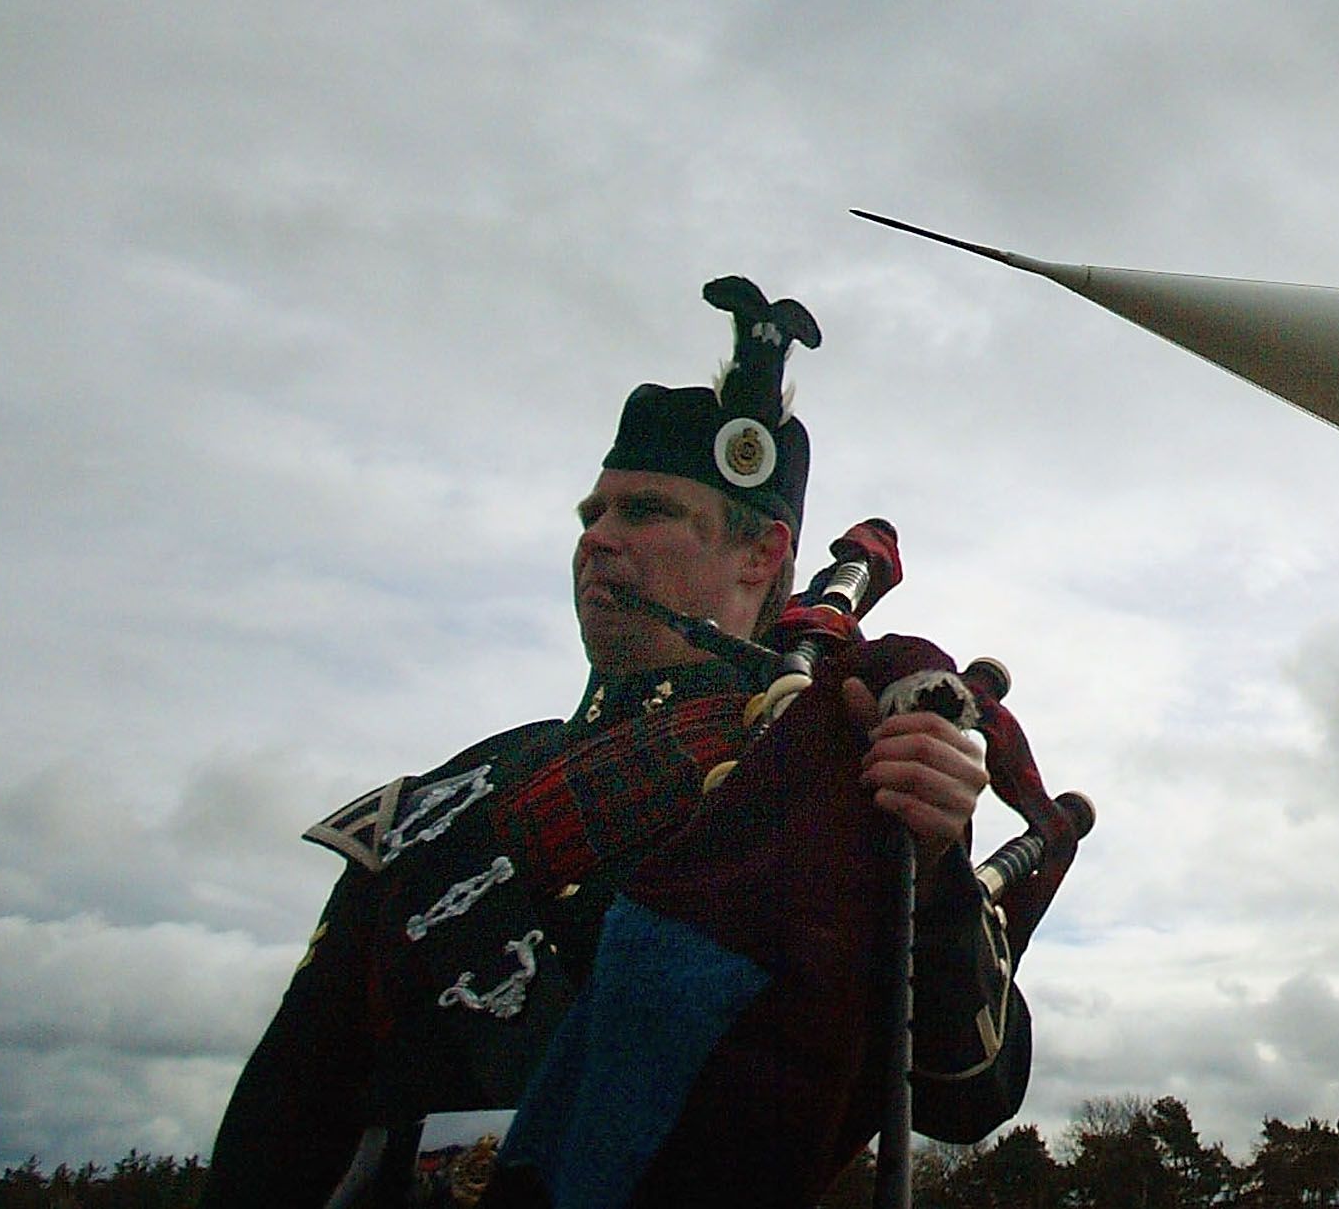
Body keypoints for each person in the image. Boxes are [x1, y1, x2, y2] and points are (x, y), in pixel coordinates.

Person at [202, 279, 1049, 1206]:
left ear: (761, 554)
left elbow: (971, 1096)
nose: (597, 539)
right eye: (589, 516)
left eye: (641, 512)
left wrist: (930, 864)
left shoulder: (846, 767)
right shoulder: (449, 800)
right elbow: (285, 1124)